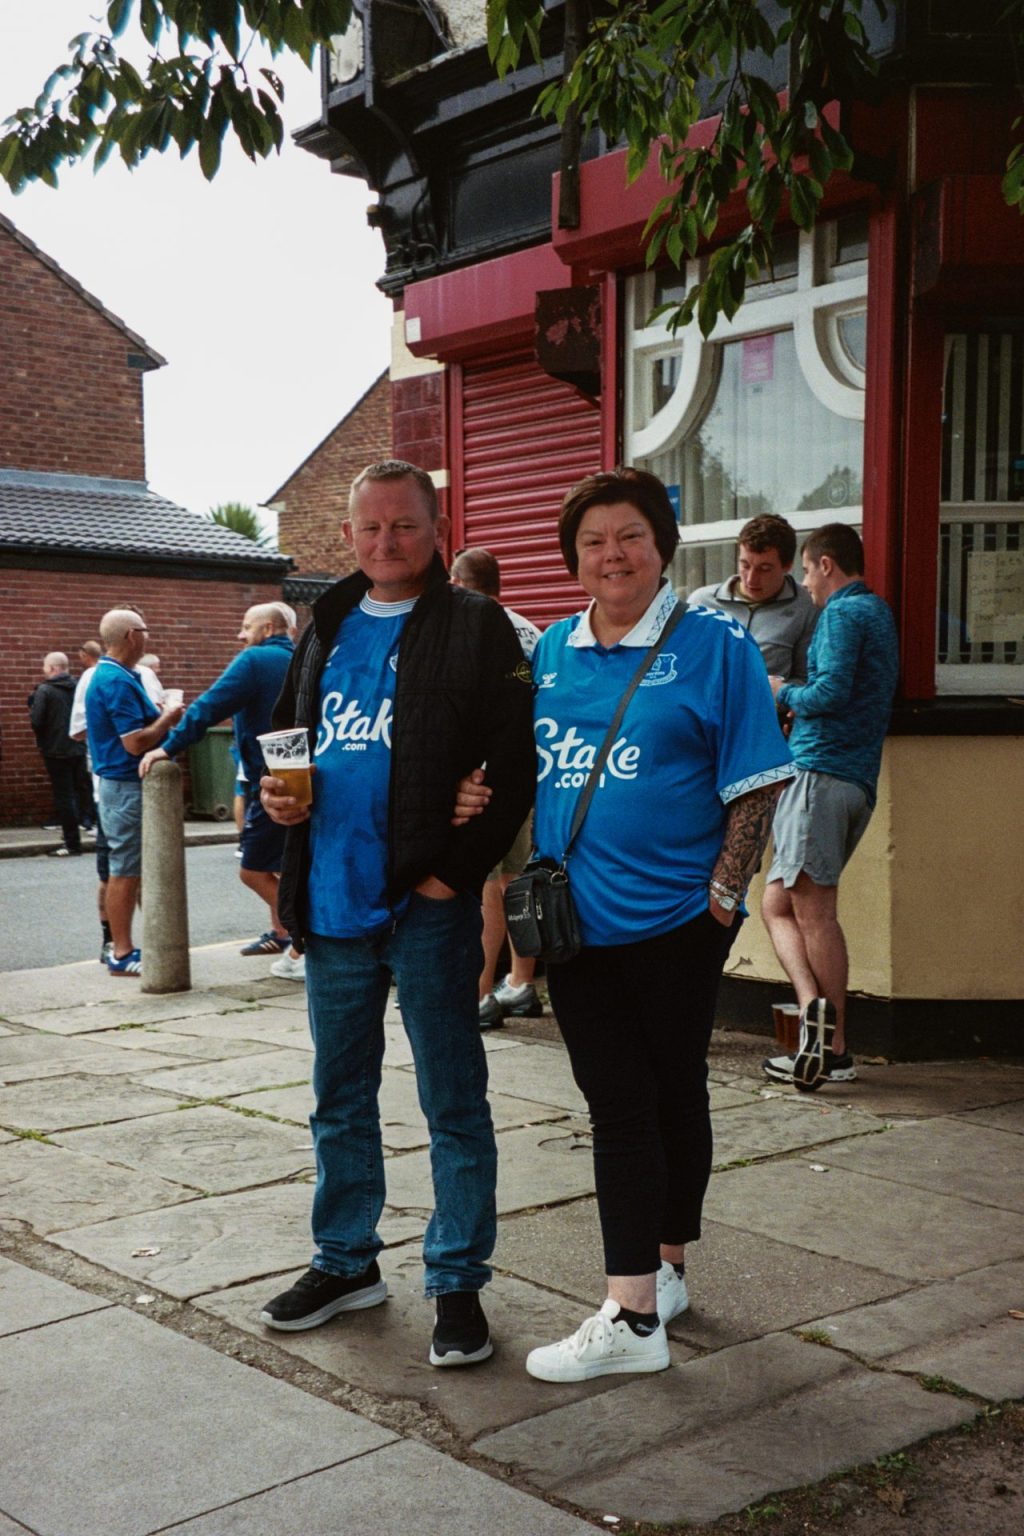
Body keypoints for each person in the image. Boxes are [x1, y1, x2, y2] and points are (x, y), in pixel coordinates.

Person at [455, 468, 793, 1383]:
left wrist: (721, 900)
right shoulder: (555, 649)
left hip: (679, 922)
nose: (612, 554)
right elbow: (521, 758)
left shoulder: (714, 645)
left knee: (648, 1099)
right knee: (641, 1099)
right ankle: (666, 1275)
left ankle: (634, 1312)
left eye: (630, 536)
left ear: (662, 546)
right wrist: (473, 787)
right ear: (573, 557)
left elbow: (759, 779)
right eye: (594, 540)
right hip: (579, 925)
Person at [257, 459, 535, 1368]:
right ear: (348, 536)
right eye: (371, 528)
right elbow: (300, 746)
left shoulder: (474, 622)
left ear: (434, 526)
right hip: (332, 903)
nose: (387, 542)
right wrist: (280, 805)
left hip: (425, 904)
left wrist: (452, 876)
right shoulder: (324, 623)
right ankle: (346, 1262)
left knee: (452, 1099)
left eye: (405, 526)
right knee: (340, 1099)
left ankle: (456, 1280)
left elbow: (512, 766)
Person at [761, 523, 899, 1090]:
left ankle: (833, 1046)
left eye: (807, 570)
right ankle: (813, 1008)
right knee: (776, 903)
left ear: (825, 564)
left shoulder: (842, 614)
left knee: (813, 910)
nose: (804, 584)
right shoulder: (879, 614)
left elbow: (829, 694)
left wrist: (780, 689)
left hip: (819, 773)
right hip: (855, 778)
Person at [139, 604, 296, 966]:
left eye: (245, 626)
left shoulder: (255, 660)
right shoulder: (302, 658)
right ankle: (289, 938)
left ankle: (309, 936)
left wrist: (167, 747)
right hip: (304, 777)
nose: (239, 635)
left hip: (270, 783)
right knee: (288, 866)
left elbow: (208, 707)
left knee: (253, 869)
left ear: (268, 627)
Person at [450, 546, 543, 1027]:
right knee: (517, 880)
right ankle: (522, 983)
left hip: (486, 775)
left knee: (486, 886)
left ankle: (479, 993)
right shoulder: (530, 630)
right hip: (528, 771)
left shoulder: (471, 624)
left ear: (459, 582)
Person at [84, 610, 184, 976]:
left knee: (128, 868)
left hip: (120, 786)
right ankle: (122, 953)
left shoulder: (119, 676)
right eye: (145, 630)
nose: (148, 636)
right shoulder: (116, 680)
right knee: (124, 870)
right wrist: (167, 719)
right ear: (131, 635)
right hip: (125, 786)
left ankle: (133, 947)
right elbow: (134, 743)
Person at [688, 514, 818, 683]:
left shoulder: (807, 605)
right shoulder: (700, 602)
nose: (750, 579)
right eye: (745, 565)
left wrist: (778, 691)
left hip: (768, 706)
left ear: (787, 566)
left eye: (764, 569)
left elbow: (807, 680)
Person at [28, 652, 93, 857]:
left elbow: (37, 721)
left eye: (45, 667)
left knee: (64, 796)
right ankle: (88, 826)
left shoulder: (45, 691)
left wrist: (44, 738)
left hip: (55, 750)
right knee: (81, 789)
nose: (44, 670)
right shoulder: (79, 687)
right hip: (78, 747)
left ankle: (72, 843)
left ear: (53, 668)